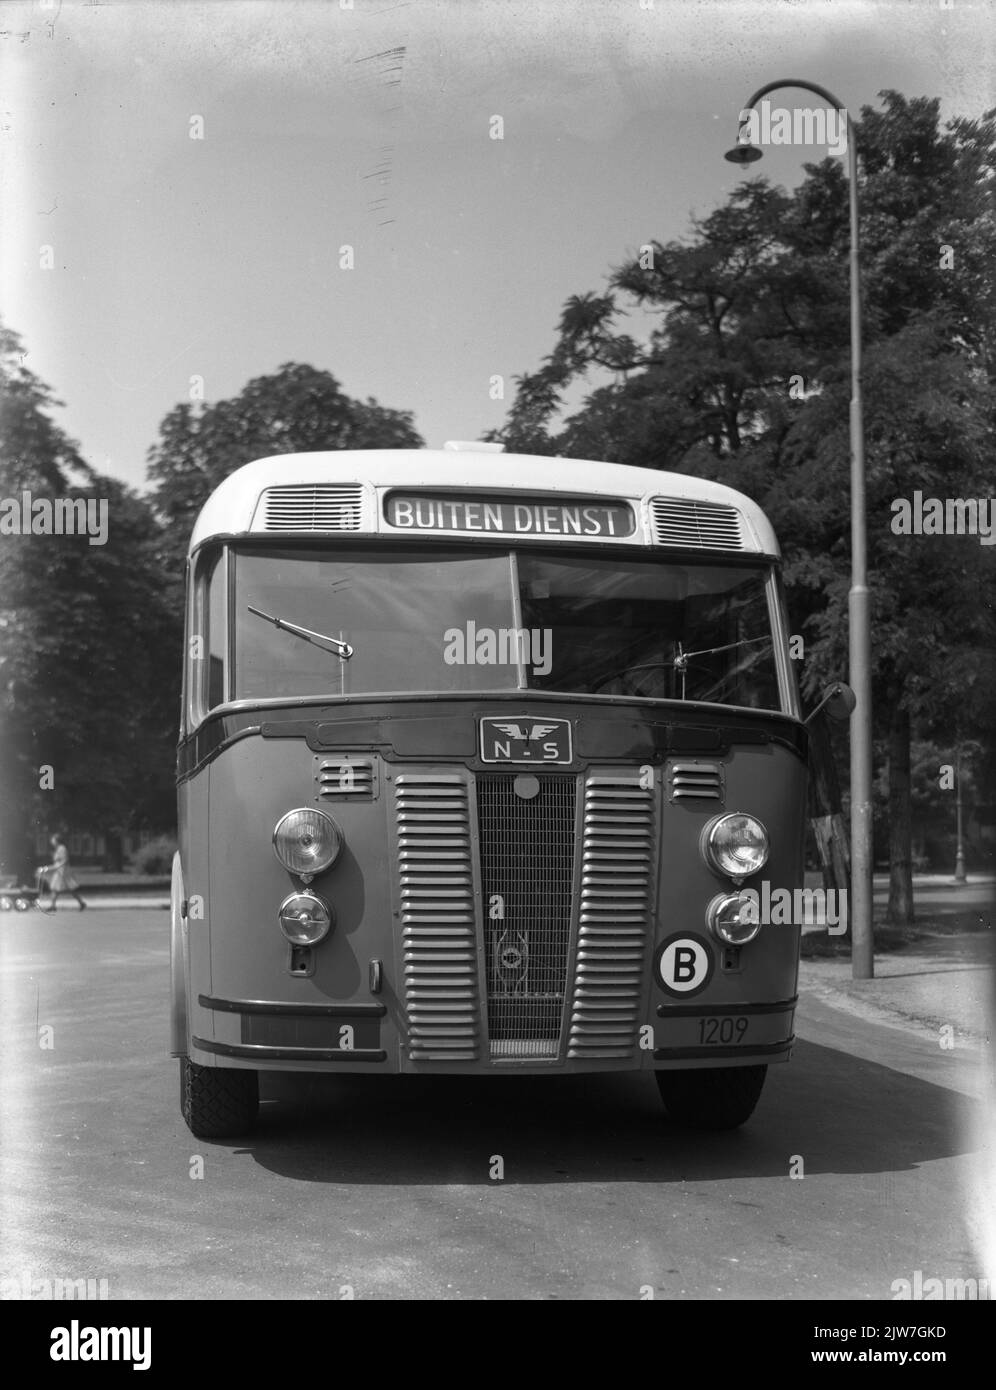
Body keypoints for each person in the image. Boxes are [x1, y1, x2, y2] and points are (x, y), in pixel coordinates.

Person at [38, 835, 87, 913]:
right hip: (59, 871)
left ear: (57, 840)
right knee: (55, 889)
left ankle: (81, 903)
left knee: (70, 889)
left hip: (63, 872)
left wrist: (51, 868)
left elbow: (64, 861)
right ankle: (53, 906)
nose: (51, 841)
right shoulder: (58, 849)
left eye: (53, 839)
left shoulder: (62, 848)